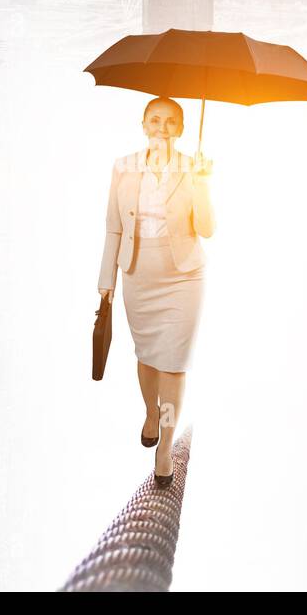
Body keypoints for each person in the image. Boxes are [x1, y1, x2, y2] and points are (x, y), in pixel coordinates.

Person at [97, 96, 214, 487]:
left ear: (180, 129)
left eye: (170, 122)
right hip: (139, 275)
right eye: (155, 120)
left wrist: (202, 183)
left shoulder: (192, 168)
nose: (162, 127)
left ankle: (165, 444)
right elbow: (114, 226)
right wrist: (106, 281)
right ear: (144, 124)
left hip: (184, 278)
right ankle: (151, 411)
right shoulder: (123, 167)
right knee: (147, 357)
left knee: (174, 364)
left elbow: (209, 228)